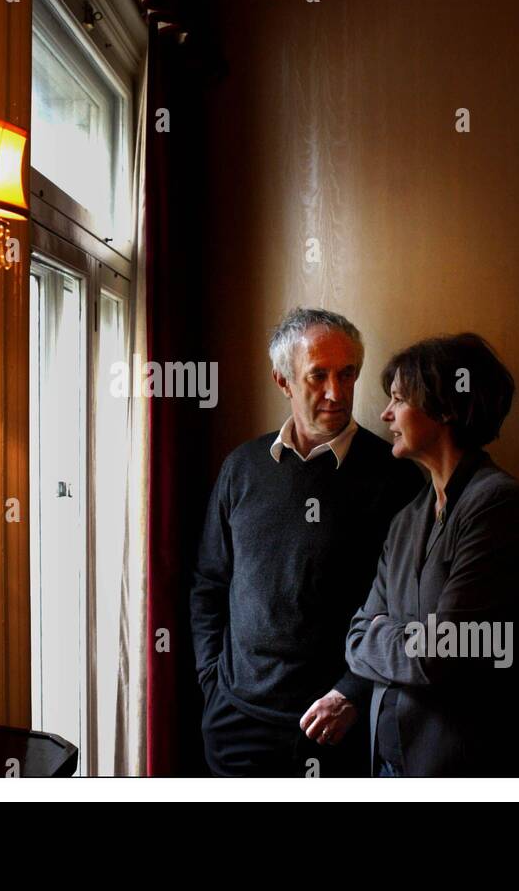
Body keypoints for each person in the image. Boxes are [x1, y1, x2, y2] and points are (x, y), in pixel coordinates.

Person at [191, 308, 424, 776]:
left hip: (340, 727)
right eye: (318, 375)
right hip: (237, 722)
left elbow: (406, 613)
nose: (336, 393)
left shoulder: (394, 477)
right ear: (283, 381)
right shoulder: (243, 467)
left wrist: (353, 695)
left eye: (347, 374)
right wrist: (211, 681)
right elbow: (210, 583)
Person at [345, 333, 519, 776]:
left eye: (398, 399)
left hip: (463, 768)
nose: (385, 414)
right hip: (388, 766)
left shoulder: (500, 506)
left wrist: (385, 633)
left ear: (446, 408)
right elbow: (357, 635)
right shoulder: (405, 521)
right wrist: (390, 635)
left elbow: (443, 655)